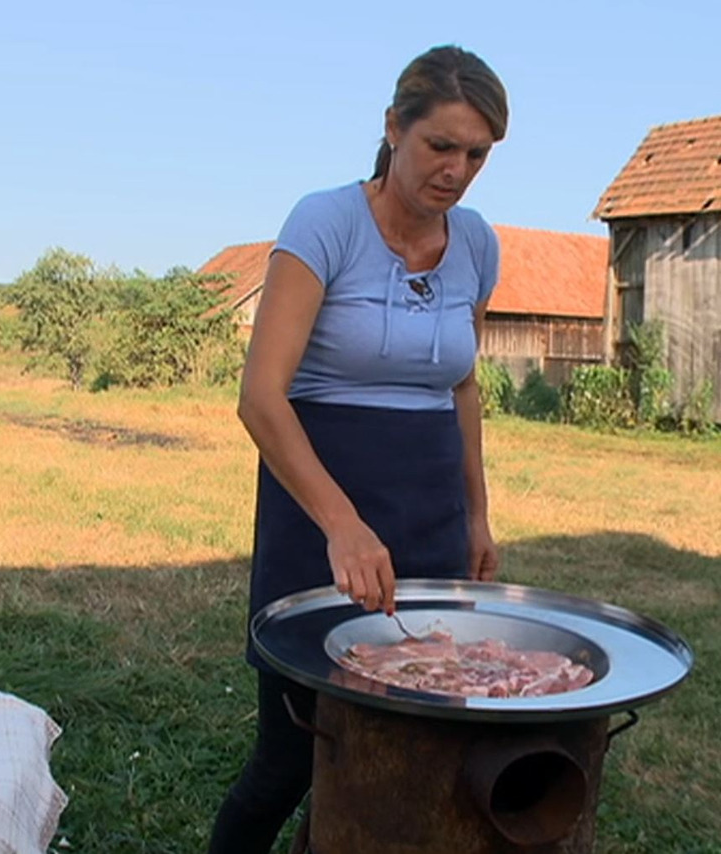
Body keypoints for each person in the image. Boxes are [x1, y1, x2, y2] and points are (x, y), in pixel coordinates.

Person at [208, 45, 509, 854]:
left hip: (429, 513)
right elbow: (260, 397)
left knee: (412, 741)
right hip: (320, 510)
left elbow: (463, 388)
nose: (456, 170)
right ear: (392, 129)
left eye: (476, 154)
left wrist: (478, 515)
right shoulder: (327, 222)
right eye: (440, 146)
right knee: (294, 754)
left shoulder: (477, 244)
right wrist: (341, 524)